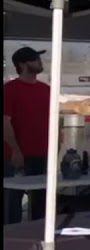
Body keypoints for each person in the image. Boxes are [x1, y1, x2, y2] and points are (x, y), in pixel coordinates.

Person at [4, 46, 52, 223]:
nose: (40, 62)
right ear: (22, 64)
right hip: (17, 155)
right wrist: (15, 150)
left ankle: (40, 236)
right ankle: (12, 239)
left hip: (42, 153)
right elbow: (5, 122)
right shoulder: (10, 89)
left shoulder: (46, 90)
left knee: (41, 200)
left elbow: (53, 118)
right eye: (34, 59)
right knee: (12, 201)